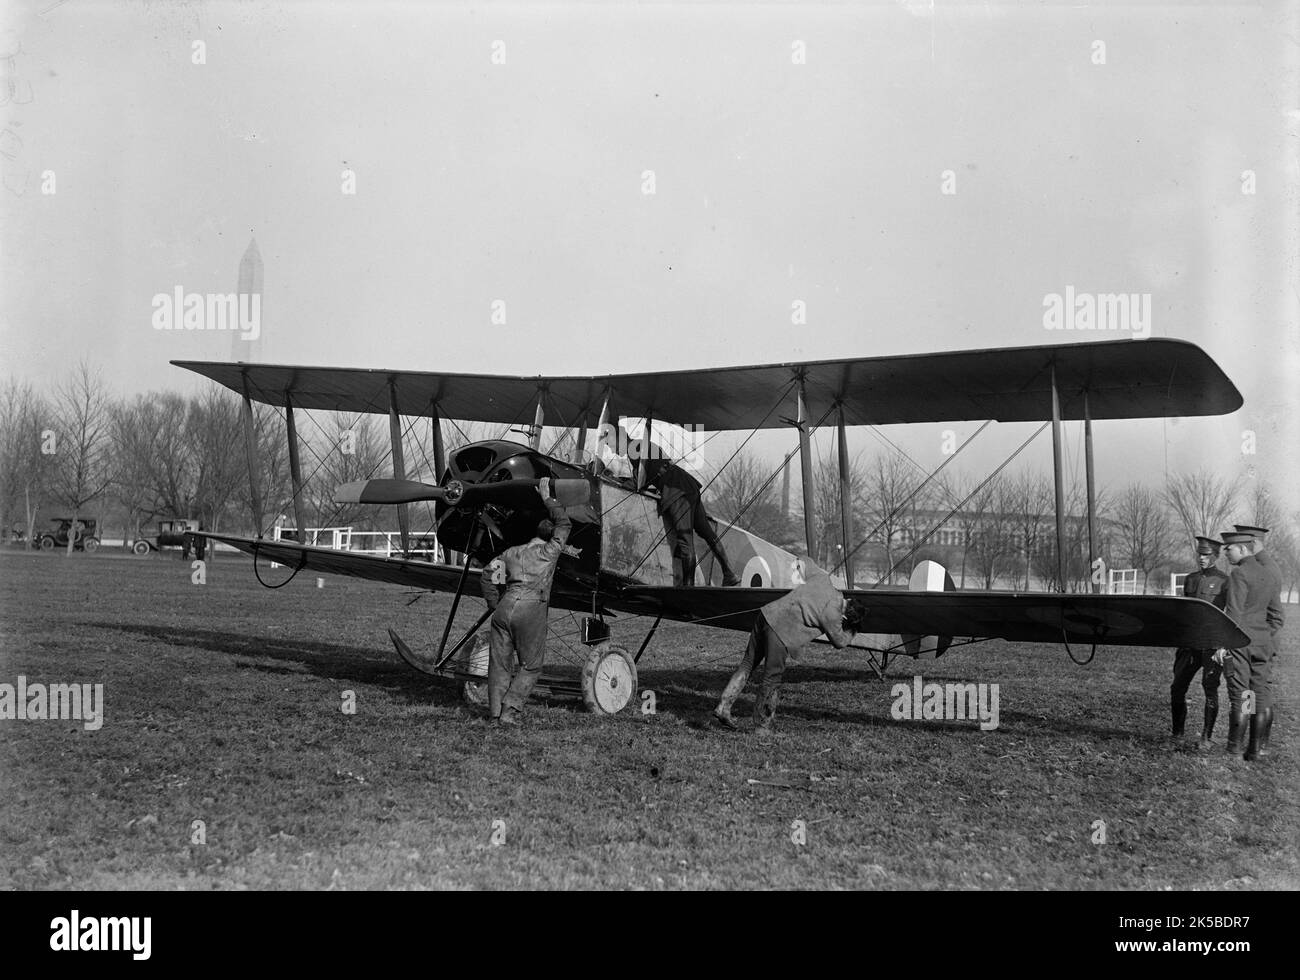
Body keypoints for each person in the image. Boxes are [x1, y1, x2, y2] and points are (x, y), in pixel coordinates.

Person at [714, 556, 865, 733]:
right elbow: (840, 642)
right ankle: (762, 727)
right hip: (780, 632)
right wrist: (852, 631)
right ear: (846, 617)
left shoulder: (823, 580)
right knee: (772, 678)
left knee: (747, 664)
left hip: (766, 614)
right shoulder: (834, 617)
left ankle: (723, 706)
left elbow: (804, 561)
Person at [479, 478, 572, 726]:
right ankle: (510, 711)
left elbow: (488, 574)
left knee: (499, 664)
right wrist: (547, 497)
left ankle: (496, 713)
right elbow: (565, 523)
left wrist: (494, 604)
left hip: (504, 605)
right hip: (531, 607)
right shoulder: (550, 552)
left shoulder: (510, 552)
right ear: (550, 536)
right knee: (531, 666)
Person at [617, 425, 741, 588]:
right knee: (705, 531)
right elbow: (647, 474)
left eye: (610, 443)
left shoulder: (635, 449)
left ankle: (688, 587)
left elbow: (638, 483)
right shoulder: (641, 445)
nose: (610, 448)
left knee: (684, 539)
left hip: (675, 490)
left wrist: (619, 482)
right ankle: (729, 573)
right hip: (687, 484)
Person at [1215, 528, 1284, 760]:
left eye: (1229, 549)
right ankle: (1254, 750)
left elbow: (1233, 614)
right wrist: (1262, 635)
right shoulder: (1269, 574)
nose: (1226, 553)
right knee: (1259, 694)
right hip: (1262, 643)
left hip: (1240, 642)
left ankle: (1234, 750)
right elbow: (1276, 614)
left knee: (1242, 696)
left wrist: (1223, 645)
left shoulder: (1239, 574)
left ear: (1243, 548)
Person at [1170, 536, 1228, 749]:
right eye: (1200, 554)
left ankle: (1206, 737)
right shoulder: (1190, 579)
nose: (1202, 558)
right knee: (1177, 688)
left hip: (1211, 645)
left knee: (1210, 689)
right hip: (1189, 645)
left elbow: (1228, 614)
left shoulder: (1225, 581)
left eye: (1207, 555)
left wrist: (1223, 644)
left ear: (1215, 556)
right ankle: (1177, 734)